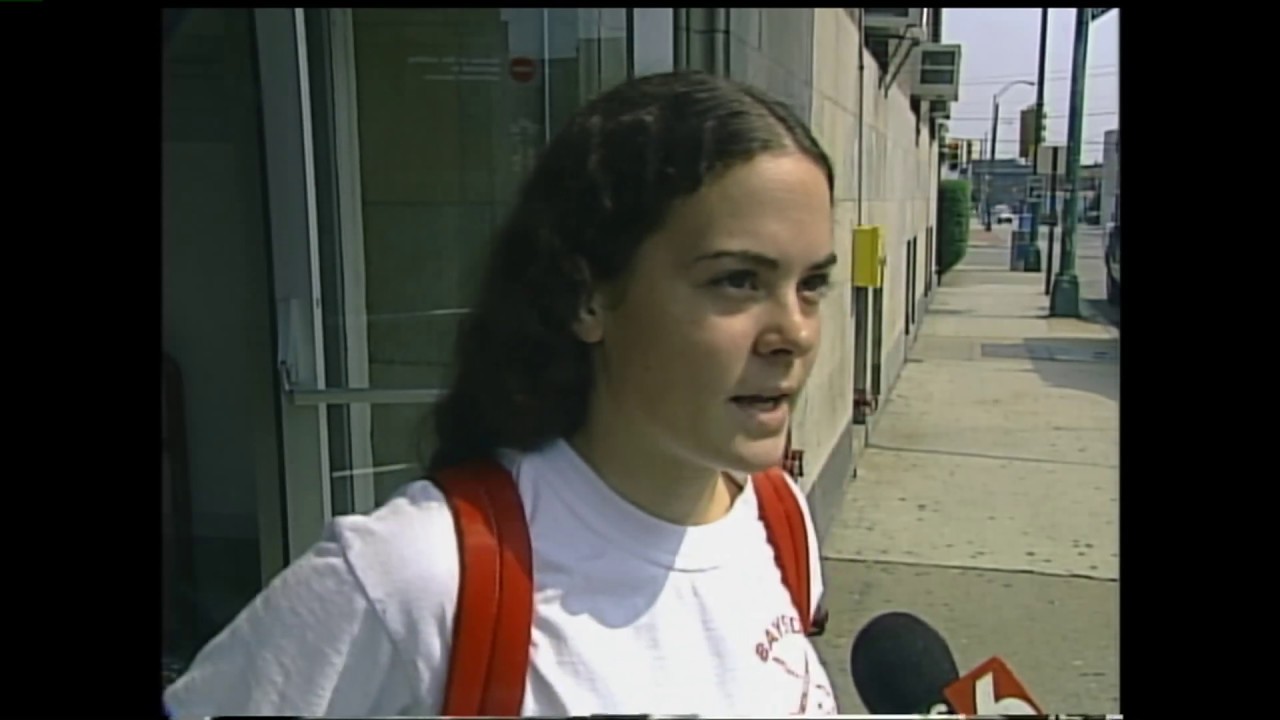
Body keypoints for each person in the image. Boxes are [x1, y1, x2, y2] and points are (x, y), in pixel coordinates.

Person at [163, 69, 839, 717]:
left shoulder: (780, 520)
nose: (795, 333)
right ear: (588, 297)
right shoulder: (416, 574)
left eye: (811, 285)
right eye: (737, 281)